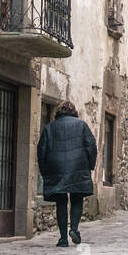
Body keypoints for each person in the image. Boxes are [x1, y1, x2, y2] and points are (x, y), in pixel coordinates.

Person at [36, 100, 98, 247]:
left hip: (55, 167)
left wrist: (45, 172)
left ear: (58, 112)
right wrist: (90, 165)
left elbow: (41, 151)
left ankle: (63, 238)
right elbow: (91, 146)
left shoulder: (49, 128)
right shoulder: (82, 125)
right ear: (74, 112)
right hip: (78, 166)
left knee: (61, 202)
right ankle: (74, 229)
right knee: (77, 198)